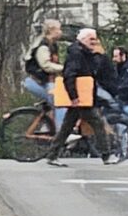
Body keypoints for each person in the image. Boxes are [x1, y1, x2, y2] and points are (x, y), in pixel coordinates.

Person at [45, 27, 118, 166]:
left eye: (95, 39)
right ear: (83, 40)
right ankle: (106, 155)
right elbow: (70, 75)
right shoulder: (77, 54)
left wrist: (100, 55)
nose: (94, 42)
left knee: (67, 126)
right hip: (81, 98)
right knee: (98, 123)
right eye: (91, 39)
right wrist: (74, 96)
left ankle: (52, 155)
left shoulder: (84, 53)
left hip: (82, 97)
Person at [22, 18, 66, 138]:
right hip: (37, 82)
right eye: (59, 29)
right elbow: (46, 66)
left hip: (46, 81)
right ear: (51, 30)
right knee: (60, 102)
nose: (61, 32)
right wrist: (64, 68)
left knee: (59, 100)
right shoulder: (43, 46)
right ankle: (61, 133)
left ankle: (47, 125)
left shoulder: (52, 44)